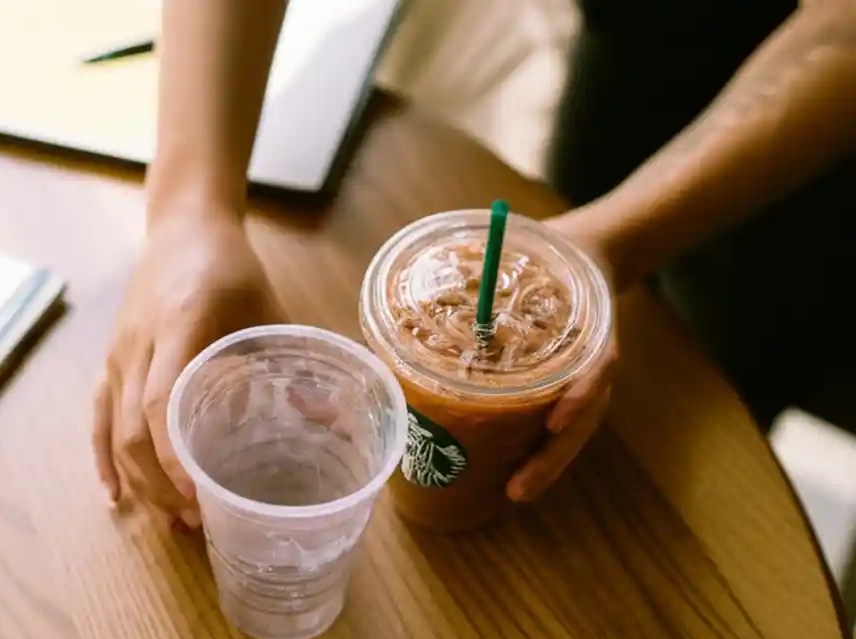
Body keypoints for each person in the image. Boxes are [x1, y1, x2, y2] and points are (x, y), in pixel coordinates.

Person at [93, 0, 856, 528]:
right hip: (640, 31)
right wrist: (188, 209)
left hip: (817, 153)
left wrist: (610, 243)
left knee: (701, 406)